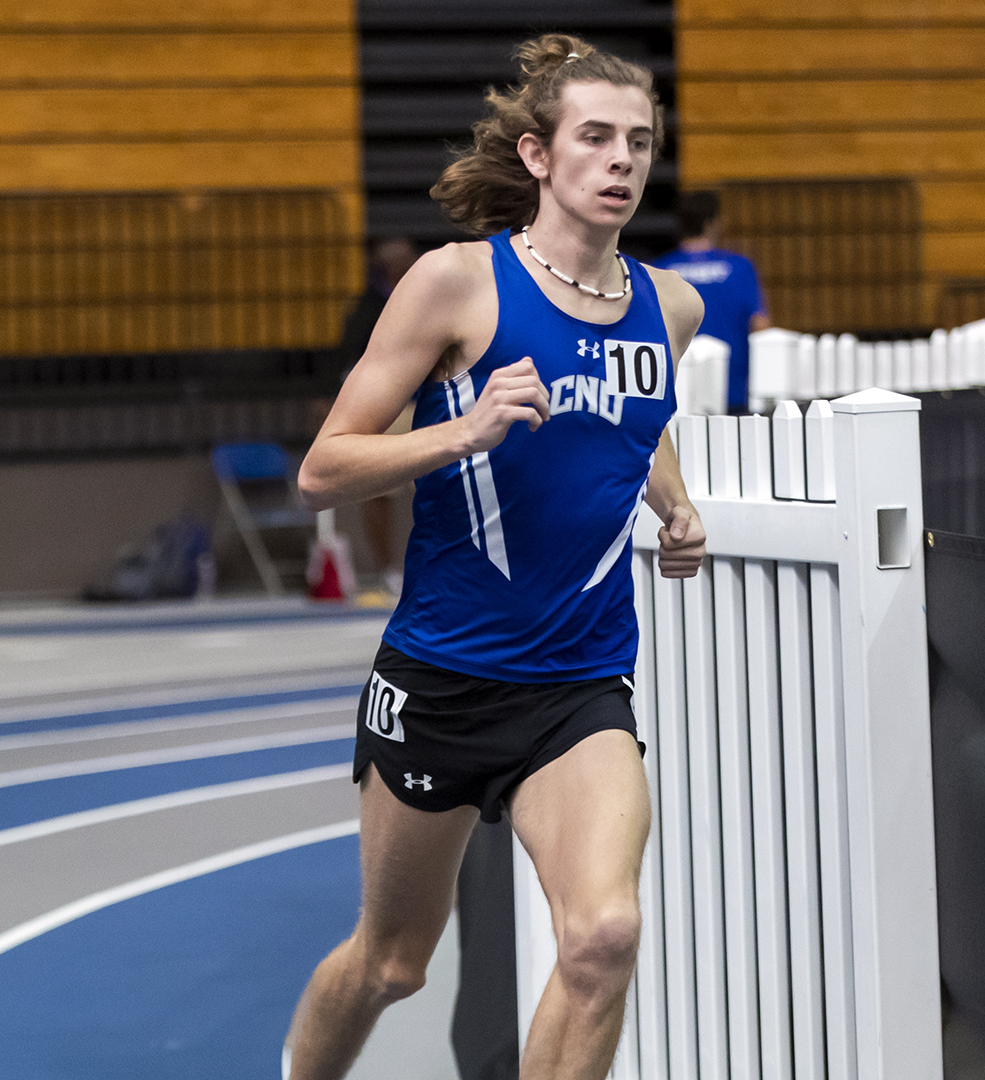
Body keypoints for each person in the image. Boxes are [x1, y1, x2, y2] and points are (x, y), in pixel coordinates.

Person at [286, 32, 706, 1080]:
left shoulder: (671, 306)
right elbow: (323, 470)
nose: (621, 161)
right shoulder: (456, 285)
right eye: (596, 138)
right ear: (536, 155)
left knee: (603, 934)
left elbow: (632, 413)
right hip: (442, 679)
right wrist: (462, 432)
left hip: (578, 684)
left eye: (640, 143)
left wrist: (677, 500)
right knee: (391, 965)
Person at [334, 238, 423, 598]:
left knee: (447, 487)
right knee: (379, 493)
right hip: (389, 411)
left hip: (428, 404)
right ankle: (388, 569)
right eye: (397, 262)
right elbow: (348, 355)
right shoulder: (367, 307)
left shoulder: (431, 294)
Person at [650, 190, 769, 412]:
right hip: (733, 390)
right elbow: (760, 326)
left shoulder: (659, 271)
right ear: (713, 223)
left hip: (676, 392)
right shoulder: (739, 267)